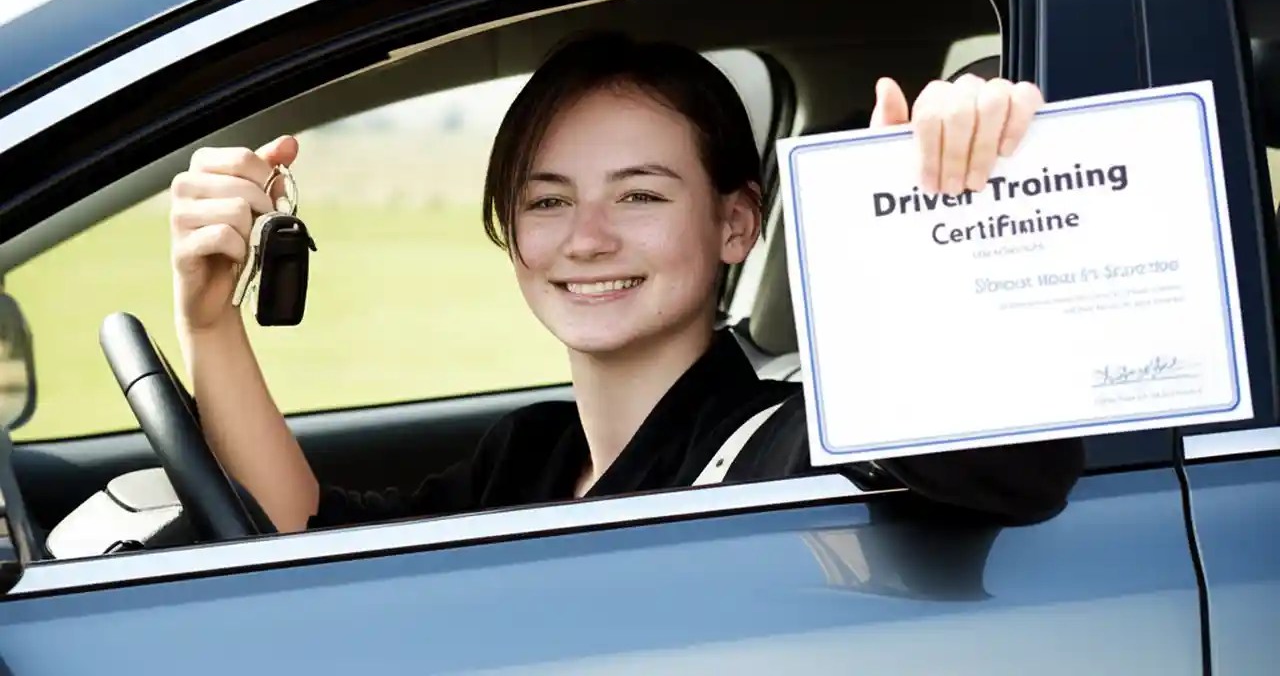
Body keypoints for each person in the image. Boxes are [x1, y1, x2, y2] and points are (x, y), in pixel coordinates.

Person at [168, 31, 1084, 534]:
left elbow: (1014, 470)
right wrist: (210, 320)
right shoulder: (528, 454)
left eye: (640, 194)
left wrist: (949, 206)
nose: (589, 239)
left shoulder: (795, 447)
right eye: (549, 200)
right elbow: (298, 532)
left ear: (736, 222)